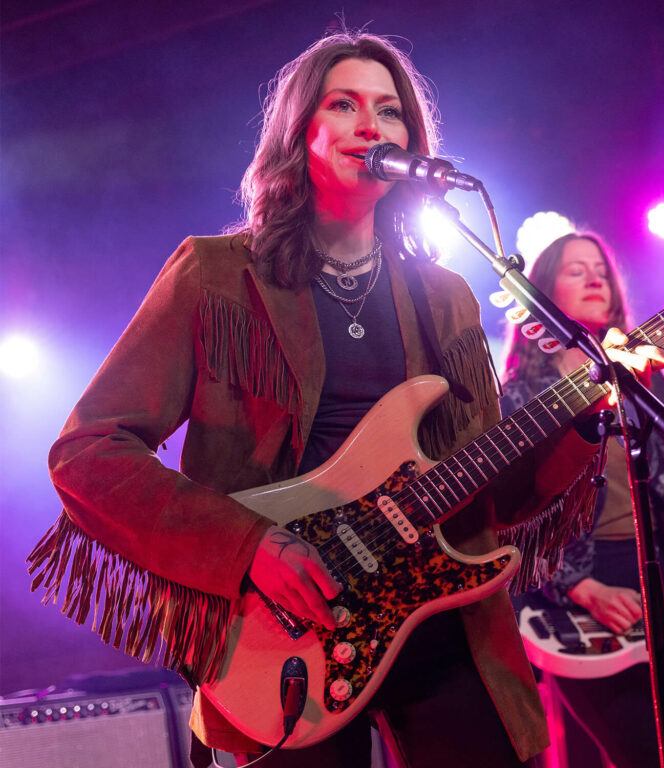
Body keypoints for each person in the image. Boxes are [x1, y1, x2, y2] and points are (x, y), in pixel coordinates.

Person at [27, 33, 623, 768]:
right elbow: (89, 451)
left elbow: (494, 495)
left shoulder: (445, 296)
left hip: (438, 619)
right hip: (283, 629)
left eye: (390, 111)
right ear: (299, 134)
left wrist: (580, 429)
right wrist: (248, 546)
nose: (372, 127)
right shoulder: (217, 277)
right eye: (344, 105)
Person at [501, 233, 664, 768]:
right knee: (640, 752)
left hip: (660, 571)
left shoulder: (646, 379)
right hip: (577, 586)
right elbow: (511, 517)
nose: (593, 279)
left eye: (601, 271)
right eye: (574, 270)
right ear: (543, 290)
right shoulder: (518, 396)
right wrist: (578, 587)